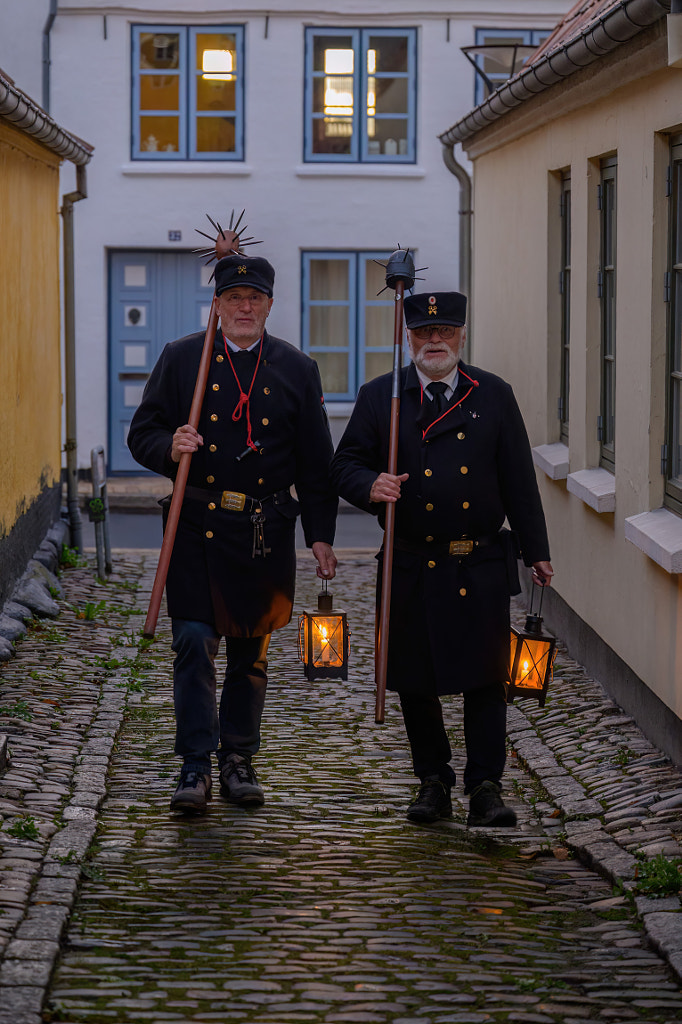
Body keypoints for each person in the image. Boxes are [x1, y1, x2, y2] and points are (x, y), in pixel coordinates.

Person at [331, 290, 553, 827]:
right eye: (425, 333)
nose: (435, 341)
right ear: (409, 338)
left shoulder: (493, 395)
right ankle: (432, 780)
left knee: (486, 678)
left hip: (475, 561)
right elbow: (345, 466)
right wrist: (371, 485)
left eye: (446, 331)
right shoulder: (381, 395)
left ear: (460, 336)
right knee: (416, 678)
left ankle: (485, 786)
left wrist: (537, 550)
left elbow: (519, 480)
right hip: (412, 561)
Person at [128, 253, 338, 815]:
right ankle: (195, 764)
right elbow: (141, 432)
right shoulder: (181, 360)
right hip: (197, 525)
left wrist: (321, 536)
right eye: (233, 299)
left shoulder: (297, 368)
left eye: (255, 299)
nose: (244, 308)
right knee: (193, 643)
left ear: (270, 305)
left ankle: (238, 759)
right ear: (217, 305)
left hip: (264, 531)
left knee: (252, 653)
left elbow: (317, 463)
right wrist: (169, 449)